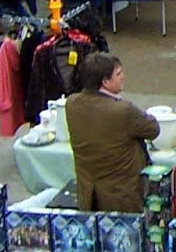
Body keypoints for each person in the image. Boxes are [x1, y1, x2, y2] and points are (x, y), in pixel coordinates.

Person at [65, 53, 159, 212]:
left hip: (88, 196)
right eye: (118, 74)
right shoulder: (122, 110)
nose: (123, 76)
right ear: (105, 82)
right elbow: (153, 129)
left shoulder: (72, 104)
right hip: (122, 198)